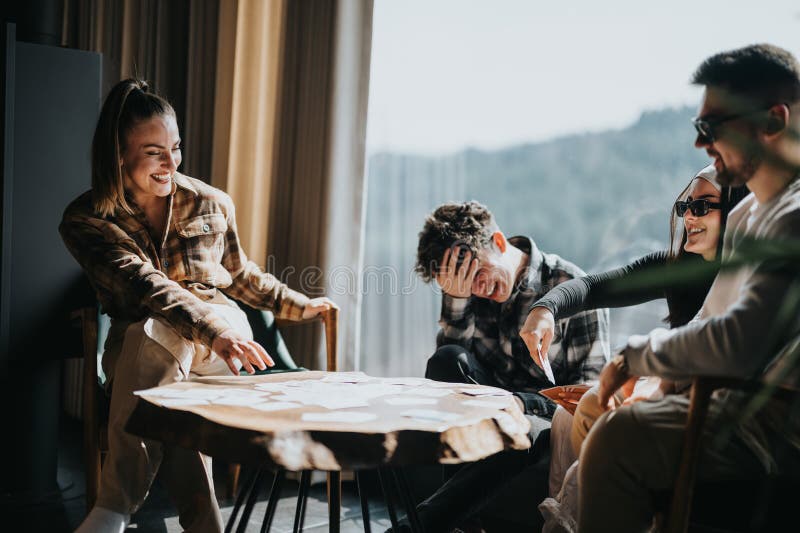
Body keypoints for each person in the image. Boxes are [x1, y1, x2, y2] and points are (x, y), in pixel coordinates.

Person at [61, 79, 336, 533]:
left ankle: (112, 510)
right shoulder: (85, 220)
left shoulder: (211, 201)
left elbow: (242, 275)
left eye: (176, 146)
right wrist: (208, 330)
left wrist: (298, 305)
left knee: (160, 349)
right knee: (164, 374)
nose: (172, 163)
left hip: (224, 337)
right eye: (154, 152)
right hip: (143, 343)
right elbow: (144, 284)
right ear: (118, 154)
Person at [578, 44, 800, 532]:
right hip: (732, 403)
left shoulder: (794, 218)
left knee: (621, 439)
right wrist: (658, 377)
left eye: (712, 127)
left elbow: (739, 343)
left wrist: (636, 357)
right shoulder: (747, 213)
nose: (702, 144)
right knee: (598, 408)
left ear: (774, 121)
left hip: (778, 428)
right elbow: (709, 320)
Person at [522, 166, 747, 531]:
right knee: (564, 419)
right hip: (670, 391)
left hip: (706, 407)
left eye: (704, 207)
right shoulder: (675, 268)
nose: (690, 215)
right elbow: (596, 287)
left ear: (738, 211)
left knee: (603, 437)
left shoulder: (749, 283)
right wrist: (544, 310)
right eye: (686, 207)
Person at [406, 200, 610, 531]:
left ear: (499, 243)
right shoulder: (466, 292)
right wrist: (455, 299)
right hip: (487, 400)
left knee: (514, 428)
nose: (478, 289)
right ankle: (463, 525)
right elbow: (446, 378)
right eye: (464, 283)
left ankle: (417, 527)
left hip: (544, 415)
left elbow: (588, 390)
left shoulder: (568, 285)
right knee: (446, 360)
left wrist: (521, 403)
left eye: (479, 273)